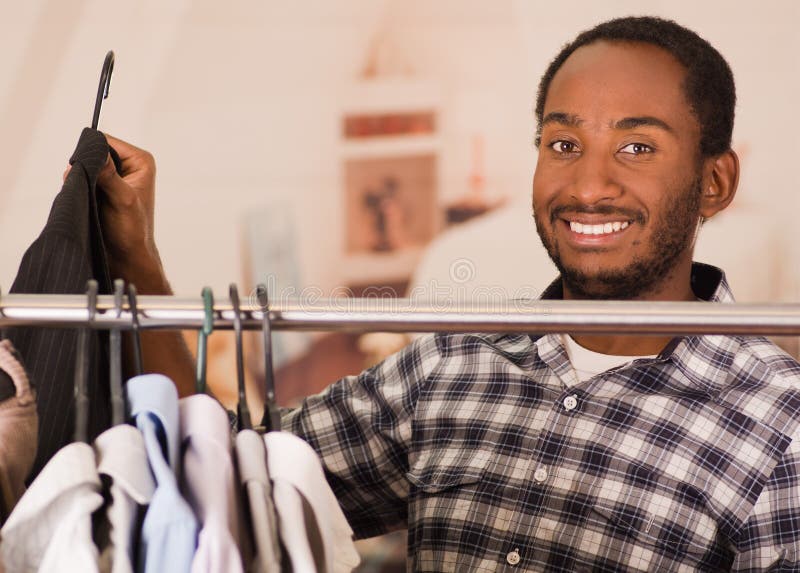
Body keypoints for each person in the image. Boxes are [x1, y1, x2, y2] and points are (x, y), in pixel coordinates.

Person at [95, 16, 800, 571]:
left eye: (637, 147)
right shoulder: (448, 366)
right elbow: (226, 476)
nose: (587, 185)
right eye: (562, 144)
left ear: (716, 183)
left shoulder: (781, 432)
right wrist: (139, 257)